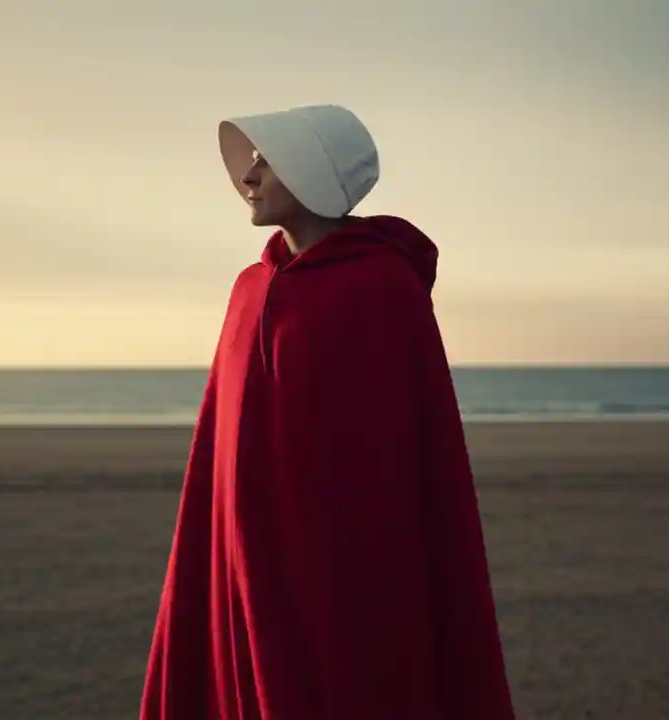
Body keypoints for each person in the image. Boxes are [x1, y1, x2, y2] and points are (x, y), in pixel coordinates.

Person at [140, 104, 515, 719]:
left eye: (267, 161)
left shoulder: (382, 288)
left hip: (341, 567)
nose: (248, 176)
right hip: (241, 556)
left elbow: (396, 458)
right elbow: (221, 447)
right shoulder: (249, 290)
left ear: (312, 171)